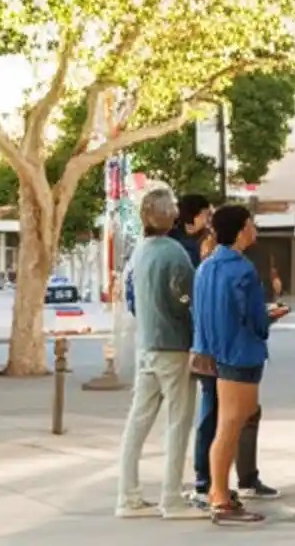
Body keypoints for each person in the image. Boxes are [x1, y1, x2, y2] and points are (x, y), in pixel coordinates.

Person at [178, 194, 279, 511]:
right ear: (241, 229)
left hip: (213, 353)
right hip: (240, 353)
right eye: (251, 225)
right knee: (231, 424)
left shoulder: (206, 267)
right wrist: (269, 316)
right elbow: (254, 319)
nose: (254, 231)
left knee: (228, 421)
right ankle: (219, 494)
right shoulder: (243, 270)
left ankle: (216, 489)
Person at [114, 187, 205, 520]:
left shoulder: (140, 252)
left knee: (137, 422)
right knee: (178, 422)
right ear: (172, 216)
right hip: (174, 347)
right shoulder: (176, 253)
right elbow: (189, 300)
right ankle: (172, 497)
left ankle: (128, 496)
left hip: (147, 345)